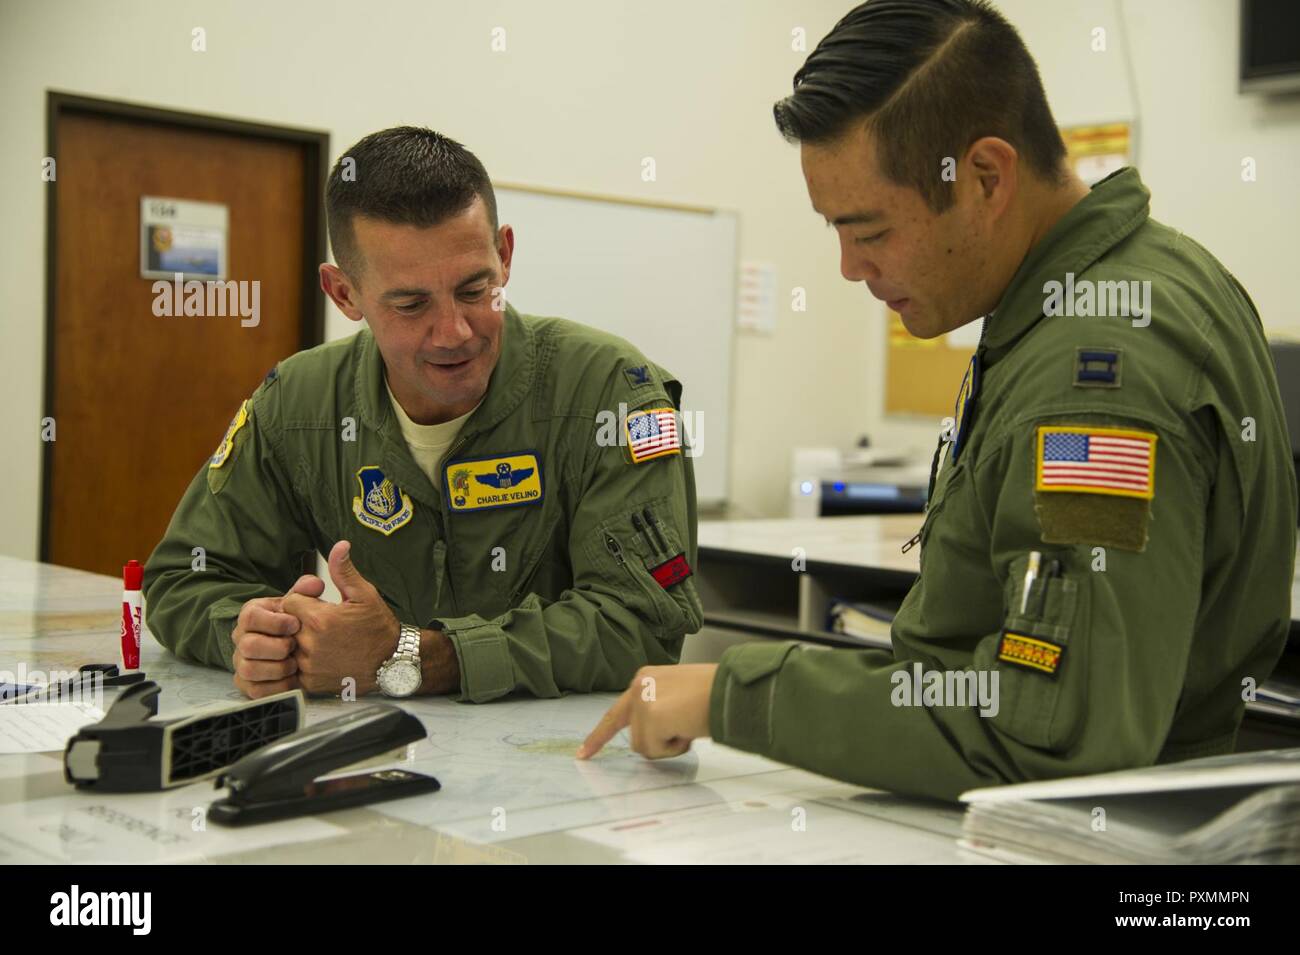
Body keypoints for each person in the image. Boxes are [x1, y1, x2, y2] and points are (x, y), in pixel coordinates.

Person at [581, 0, 1297, 801]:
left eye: (872, 230)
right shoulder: (1134, 285)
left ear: (985, 177)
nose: (851, 267)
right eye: (836, 232)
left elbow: (1054, 729)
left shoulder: (1096, 372)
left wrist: (737, 694)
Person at [145, 127, 702, 701]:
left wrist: (415, 659)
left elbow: (644, 624)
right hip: (367, 758)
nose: (453, 332)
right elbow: (185, 579)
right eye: (411, 304)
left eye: (473, 290)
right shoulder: (297, 404)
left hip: (569, 766)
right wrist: (257, 635)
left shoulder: (612, 393)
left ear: (504, 256)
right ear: (344, 295)